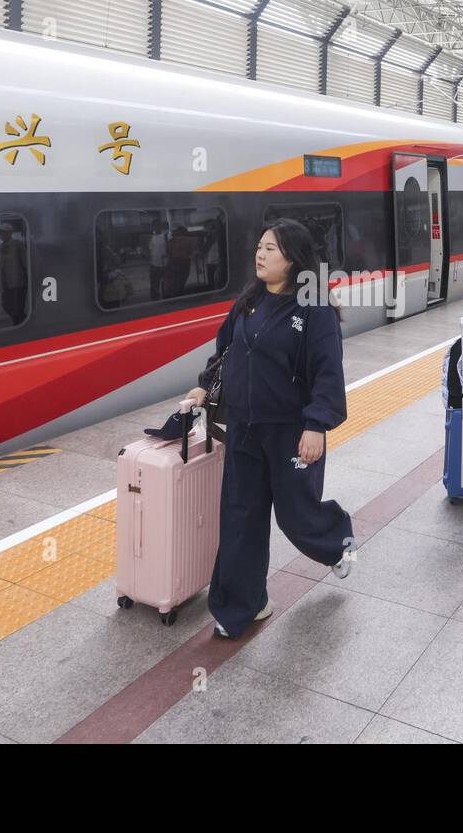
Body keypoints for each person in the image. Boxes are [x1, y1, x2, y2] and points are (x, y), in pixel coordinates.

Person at [187, 219, 355, 639]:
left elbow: (328, 373)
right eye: (259, 247)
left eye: (271, 250)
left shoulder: (313, 309)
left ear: (294, 259)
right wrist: (204, 386)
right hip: (244, 427)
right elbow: (225, 350)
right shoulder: (249, 300)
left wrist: (316, 425)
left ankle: (337, 542)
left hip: (291, 432)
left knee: (296, 515)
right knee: (240, 515)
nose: (260, 255)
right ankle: (242, 607)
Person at [0, 222, 28, 325]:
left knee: (18, 305)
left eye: (2, 232)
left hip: (18, 282)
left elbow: (26, 262)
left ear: (9, 233)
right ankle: (19, 319)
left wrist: (28, 277)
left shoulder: (18, 245)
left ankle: (19, 322)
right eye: (0, 233)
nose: (0, 235)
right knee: (6, 305)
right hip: (6, 283)